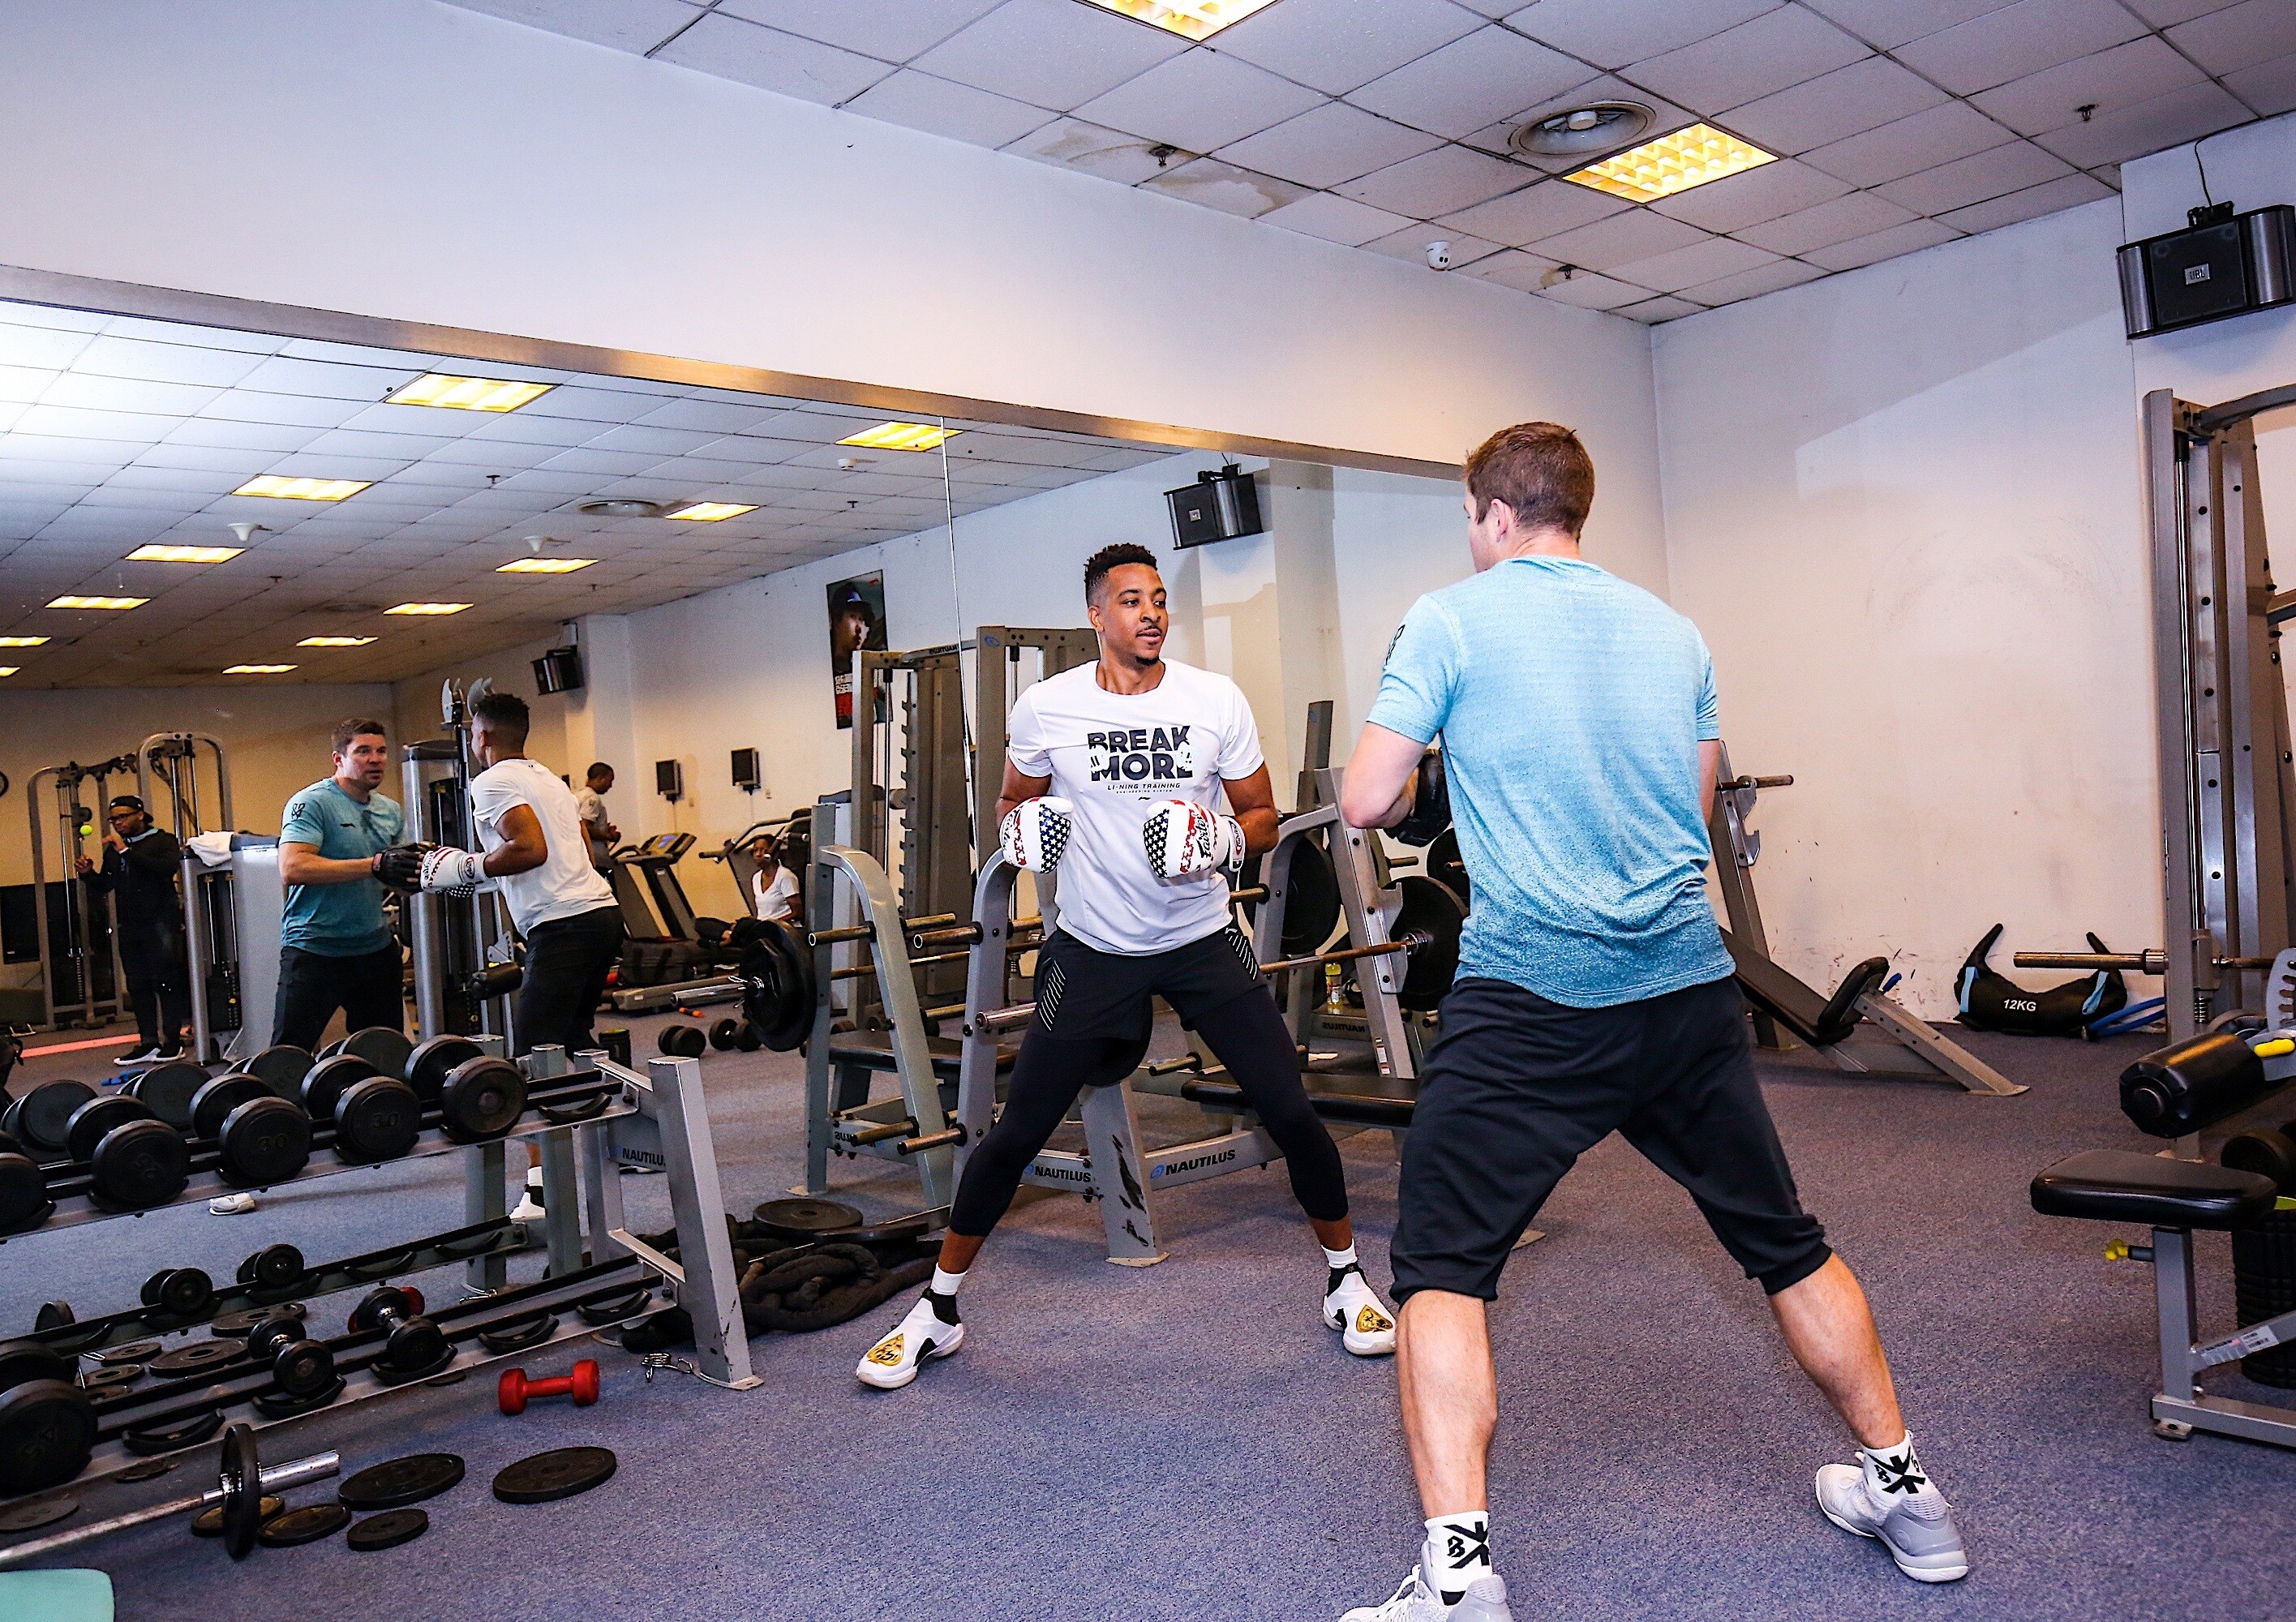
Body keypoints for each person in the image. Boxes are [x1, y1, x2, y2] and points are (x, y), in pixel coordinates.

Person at [1334, 424, 1967, 1620]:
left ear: (1492, 513)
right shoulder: (1673, 631)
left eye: (1471, 517)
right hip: (1682, 990)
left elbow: (1369, 798)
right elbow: (1688, 801)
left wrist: (1437, 764)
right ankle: (1909, 1493)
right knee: (1784, 1240)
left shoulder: (1451, 618)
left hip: (1532, 1002)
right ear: (1579, 510)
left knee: (1442, 1275)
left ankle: (1458, 1582)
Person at [855, 542, 1398, 1390]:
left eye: (1158, 600)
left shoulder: (1212, 699)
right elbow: (1011, 801)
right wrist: (1020, 830)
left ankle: (1346, 1278)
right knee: (1014, 1133)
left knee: (1291, 1109)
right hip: (1093, 947)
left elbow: (1260, 814)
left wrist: (1223, 837)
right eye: (1131, 600)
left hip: (1200, 939)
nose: (1151, 613)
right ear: (1096, 616)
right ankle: (938, 1308)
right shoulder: (1047, 706)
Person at [379, 690, 624, 1060]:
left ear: (484, 737)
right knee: (572, 1037)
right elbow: (582, 853)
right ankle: (606, 1105)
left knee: (533, 1049)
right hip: (602, 916)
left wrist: (466, 866)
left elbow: (530, 849)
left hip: (563, 926)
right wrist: (483, 876)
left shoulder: (490, 781)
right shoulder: (551, 780)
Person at [275, 719, 407, 1050]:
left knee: (384, 1050)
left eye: (381, 751)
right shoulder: (312, 803)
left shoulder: (390, 810)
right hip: (315, 949)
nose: (375, 759)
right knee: (289, 1054)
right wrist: (374, 865)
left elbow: (398, 880)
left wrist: (432, 871)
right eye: (363, 751)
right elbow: (293, 867)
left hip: (374, 949)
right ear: (338, 759)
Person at [77, 795, 189, 1061]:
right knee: (138, 984)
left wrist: (126, 852)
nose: (117, 823)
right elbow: (108, 884)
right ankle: (148, 1042)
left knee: (166, 982)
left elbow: (164, 869)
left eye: (123, 816)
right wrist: (88, 874)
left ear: (140, 814)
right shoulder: (116, 848)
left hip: (161, 921)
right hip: (130, 924)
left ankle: (172, 1041)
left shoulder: (162, 840)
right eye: (113, 819)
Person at [740, 835, 802, 928]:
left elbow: (798, 913)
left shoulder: (785, 876)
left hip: (782, 930)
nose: (758, 854)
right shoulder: (756, 878)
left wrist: (770, 924)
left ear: (775, 854)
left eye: (762, 850)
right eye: (755, 851)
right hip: (763, 928)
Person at [576, 762, 620, 873]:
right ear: (600, 779)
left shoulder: (578, 796)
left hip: (581, 857)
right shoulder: (593, 798)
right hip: (596, 859)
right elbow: (585, 827)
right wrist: (610, 836)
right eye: (610, 781)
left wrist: (603, 829)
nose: (610, 786)